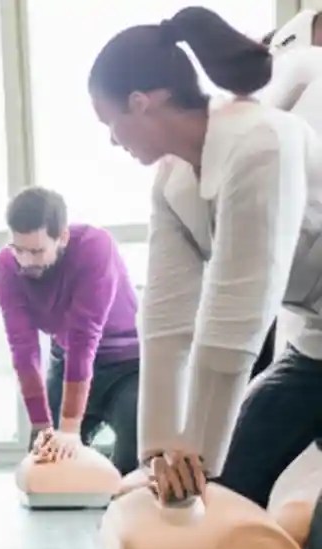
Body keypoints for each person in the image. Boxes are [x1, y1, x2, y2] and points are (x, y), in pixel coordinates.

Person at [87, 7, 322, 508]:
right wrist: (159, 451)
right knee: (224, 485)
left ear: (140, 103)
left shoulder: (261, 141)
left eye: (110, 122)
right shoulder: (172, 181)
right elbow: (165, 318)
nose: (111, 139)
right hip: (316, 344)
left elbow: (238, 312)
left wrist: (194, 455)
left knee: (232, 488)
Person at [0, 187, 141, 474]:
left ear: (61, 237)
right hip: (66, 364)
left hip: (126, 367)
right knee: (45, 467)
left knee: (130, 467)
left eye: (36, 251)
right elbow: (22, 347)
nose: (26, 261)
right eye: (18, 249)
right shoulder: (6, 265)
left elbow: (83, 338)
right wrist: (42, 427)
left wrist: (70, 428)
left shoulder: (95, 246)